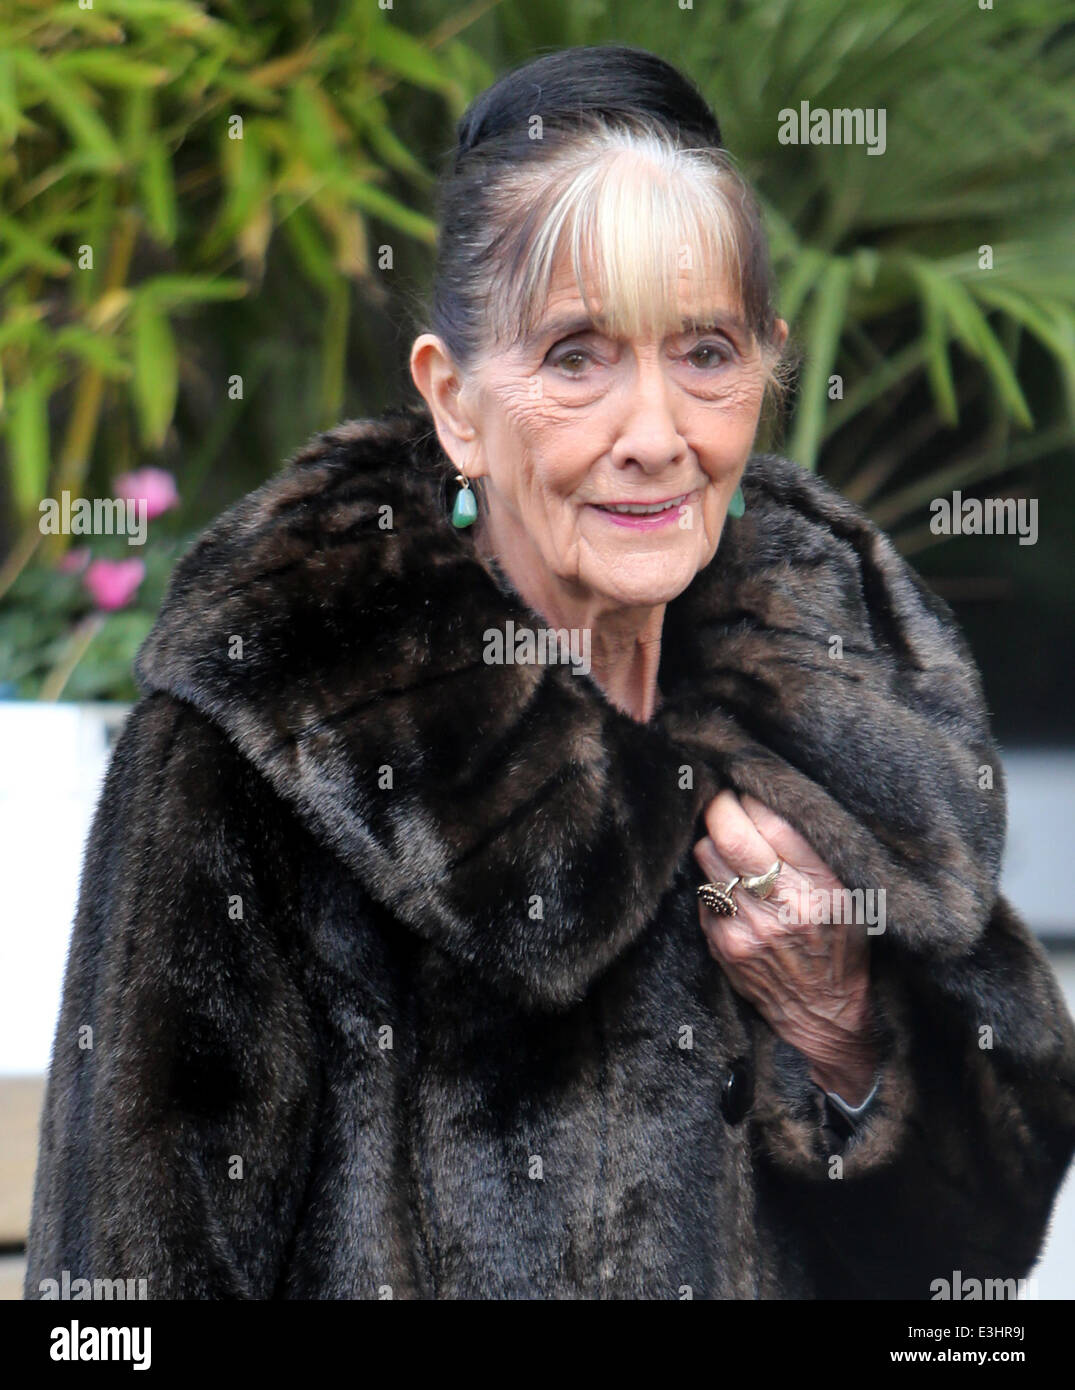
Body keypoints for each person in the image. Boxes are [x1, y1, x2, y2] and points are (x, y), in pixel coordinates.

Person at [24, 44, 1075, 1301]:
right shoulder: (269, 740)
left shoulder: (843, 718)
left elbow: (975, 1259)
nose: (653, 435)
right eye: (576, 355)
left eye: (704, 354)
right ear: (453, 399)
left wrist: (834, 1024)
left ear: (768, 368)